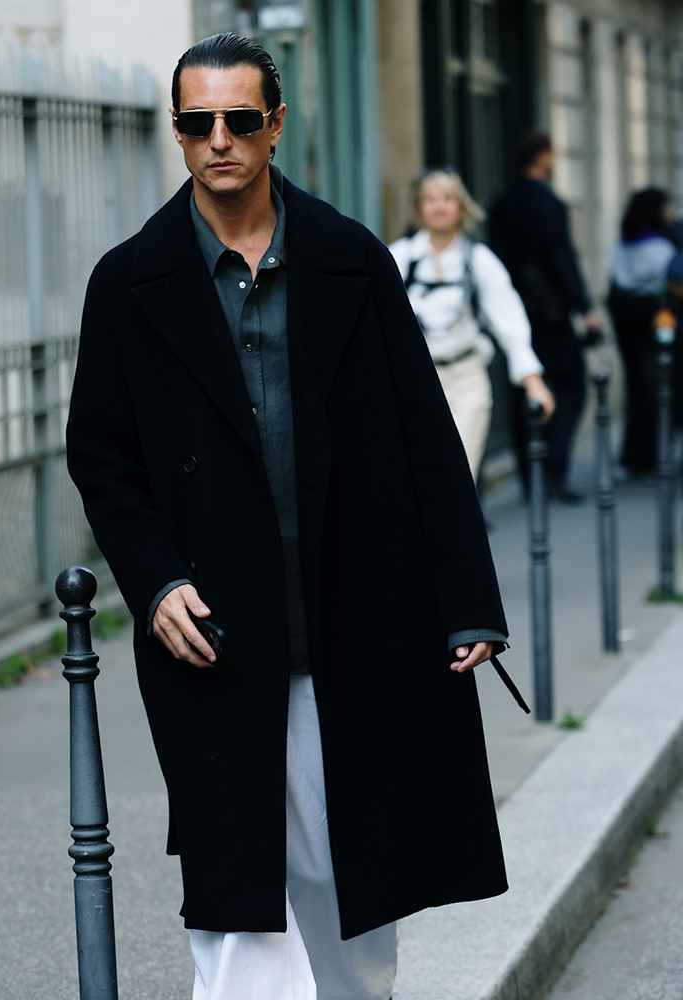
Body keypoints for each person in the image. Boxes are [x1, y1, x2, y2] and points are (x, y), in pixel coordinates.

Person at [67, 33, 510, 1000]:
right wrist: (155, 581)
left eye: (237, 119)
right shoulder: (128, 282)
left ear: (274, 124)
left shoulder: (349, 259)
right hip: (214, 634)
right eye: (197, 122)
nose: (217, 139)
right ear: (177, 134)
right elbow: (102, 458)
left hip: (354, 618)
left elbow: (425, 435)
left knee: (346, 885)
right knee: (235, 895)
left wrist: (467, 599)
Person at [388, 169, 554, 480]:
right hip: (414, 381)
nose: (439, 206)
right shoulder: (399, 257)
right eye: (431, 199)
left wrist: (533, 380)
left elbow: (509, 319)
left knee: (457, 477)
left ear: (461, 206)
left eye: (447, 198)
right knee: (416, 478)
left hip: (466, 380)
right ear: (419, 207)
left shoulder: (479, 260)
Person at [489, 130, 602, 502]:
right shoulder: (548, 203)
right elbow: (562, 258)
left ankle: (530, 476)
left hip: (512, 310)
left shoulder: (502, 203)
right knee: (571, 385)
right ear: (541, 157)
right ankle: (552, 469)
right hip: (549, 314)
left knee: (527, 389)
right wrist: (584, 307)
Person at [607, 187, 677, 475]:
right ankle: (652, 456)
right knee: (657, 386)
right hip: (653, 317)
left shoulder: (624, 241)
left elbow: (618, 277)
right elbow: (670, 280)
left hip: (625, 314)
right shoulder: (662, 246)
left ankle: (634, 456)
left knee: (636, 385)